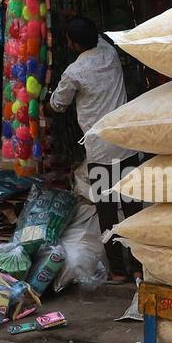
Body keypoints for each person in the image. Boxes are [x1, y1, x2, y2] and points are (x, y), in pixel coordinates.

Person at [48, 16, 138, 281]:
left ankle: (119, 271)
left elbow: (57, 105)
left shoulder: (74, 72)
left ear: (74, 44)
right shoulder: (109, 53)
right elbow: (94, 37)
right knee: (132, 206)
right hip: (126, 142)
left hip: (100, 150)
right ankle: (138, 265)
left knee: (107, 209)